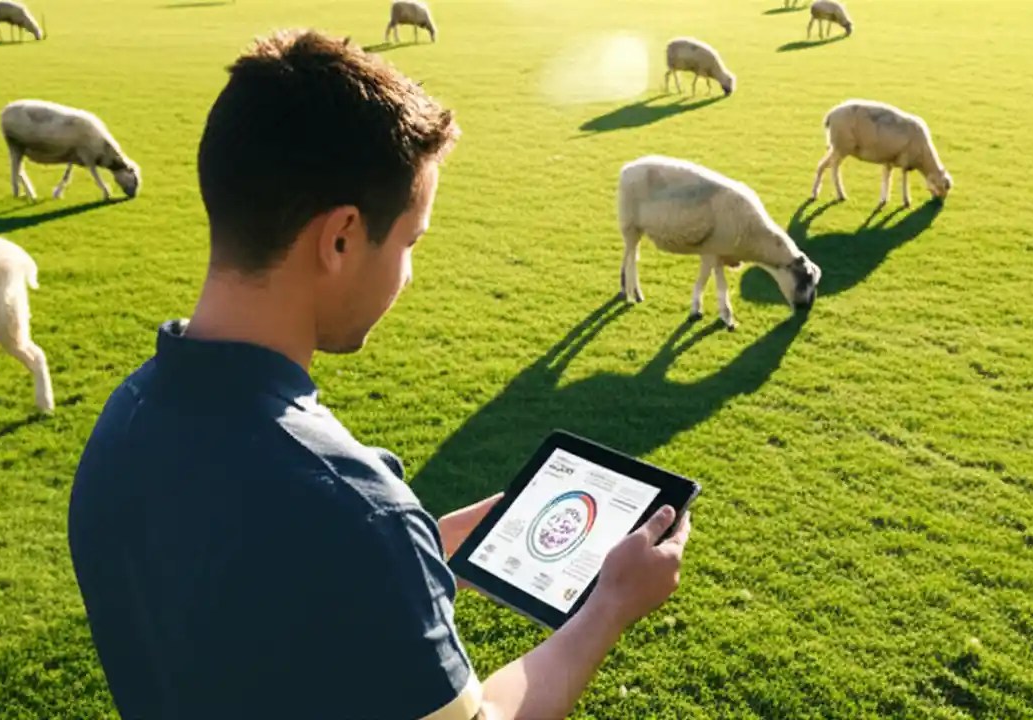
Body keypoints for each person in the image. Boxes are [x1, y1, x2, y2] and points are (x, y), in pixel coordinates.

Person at [67, 28, 692, 720]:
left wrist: (428, 546)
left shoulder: (124, 422)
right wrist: (609, 606)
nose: (409, 272)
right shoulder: (356, 518)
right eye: (409, 241)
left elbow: (253, 605)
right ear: (339, 239)